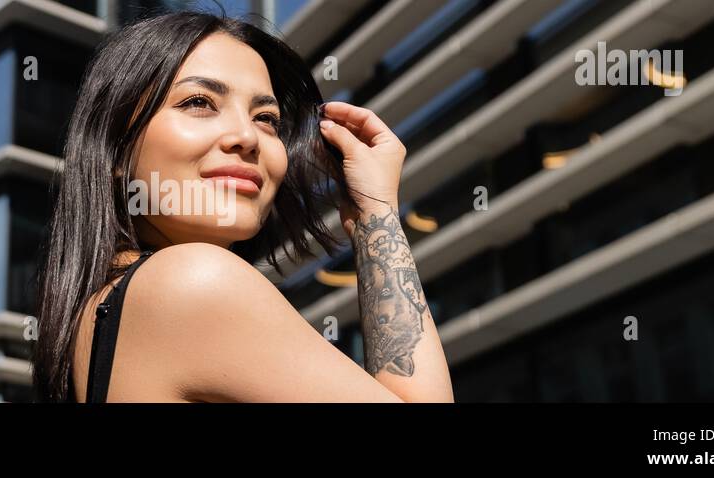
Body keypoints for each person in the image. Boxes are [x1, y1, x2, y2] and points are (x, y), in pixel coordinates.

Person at [32, 11, 454, 403]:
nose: (247, 137)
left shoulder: (100, 316)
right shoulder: (192, 282)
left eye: (266, 118)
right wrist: (375, 214)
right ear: (116, 153)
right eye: (198, 102)